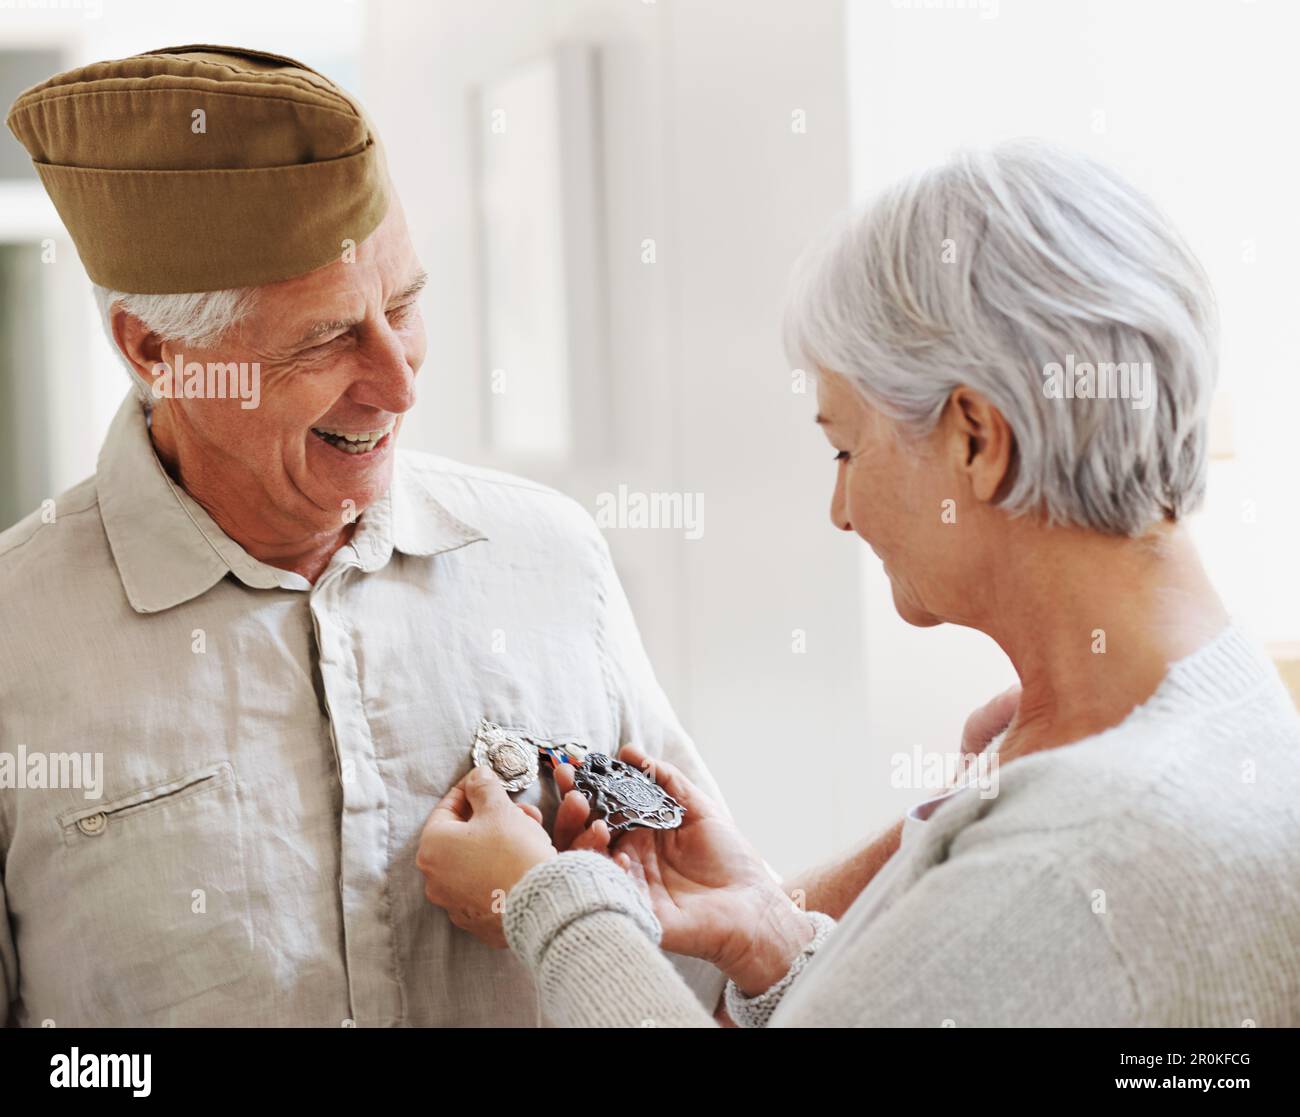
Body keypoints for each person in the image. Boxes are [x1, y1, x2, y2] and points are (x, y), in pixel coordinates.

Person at [417, 141, 1300, 1027]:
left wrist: (552, 902)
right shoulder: (1222, 710)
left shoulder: (1060, 854)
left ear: (975, 440)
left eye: (845, 447)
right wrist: (773, 936)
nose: (841, 509)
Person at [0, 44, 735, 1026]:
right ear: (156, 350)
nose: (399, 381)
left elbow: (711, 968)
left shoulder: (551, 559)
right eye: (325, 337)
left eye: (403, 307)